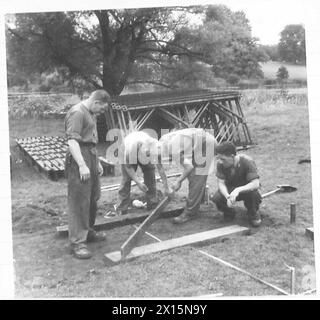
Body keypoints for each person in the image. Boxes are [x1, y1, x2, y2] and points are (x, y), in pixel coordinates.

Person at [65, 89, 111, 259]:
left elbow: (91, 139)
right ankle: (77, 243)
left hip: (90, 155)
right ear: (96, 102)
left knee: (93, 197)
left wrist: (96, 161)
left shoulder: (91, 112)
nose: (102, 112)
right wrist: (82, 165)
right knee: (79, 201)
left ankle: (88, 232)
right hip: (79, 158)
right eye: (102, 109)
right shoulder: (77, 113)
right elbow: (72, 141)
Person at [158, 128, 217, 224]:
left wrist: (178, 181)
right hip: (198, 145)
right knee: (194, 177)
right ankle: (198, 201)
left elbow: (189, 167)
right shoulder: (159, 143)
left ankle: (191, 213)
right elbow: (159, 167)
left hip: (207, 144)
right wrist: (166, 187)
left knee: (196, 177)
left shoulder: (172, 148)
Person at [115, 130, 170, 215]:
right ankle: (122, 208)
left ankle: (152, 202)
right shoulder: (131, 148)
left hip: (142, 149)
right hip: (127, 151)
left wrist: (166, 187)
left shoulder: (156, 147)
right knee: (126, 179)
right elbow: (128, 167)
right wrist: (138, 182)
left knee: (150, 172)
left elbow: (160, 168)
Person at [210, 142, 262, 227]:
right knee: (217, 198)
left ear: (232, 156)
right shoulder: (220, 164)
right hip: (230, 189)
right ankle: (229, 213)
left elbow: (255, 183)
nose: (220, 161)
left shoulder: (247, 162)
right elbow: (221, 183)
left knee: (254, 195)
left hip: (246, 190)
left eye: (223, 159)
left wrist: (238, 190)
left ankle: (252, 213)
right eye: (218, 158)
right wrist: (227, 196)